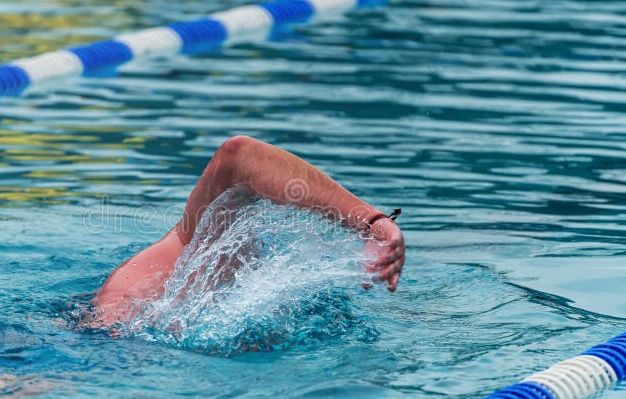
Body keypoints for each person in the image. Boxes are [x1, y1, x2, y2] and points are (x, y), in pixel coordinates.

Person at [93, 135, 405, 326]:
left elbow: (240, 157)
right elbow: (237, 154)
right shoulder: (152, 280)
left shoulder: (217, 241)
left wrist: (371, 223)